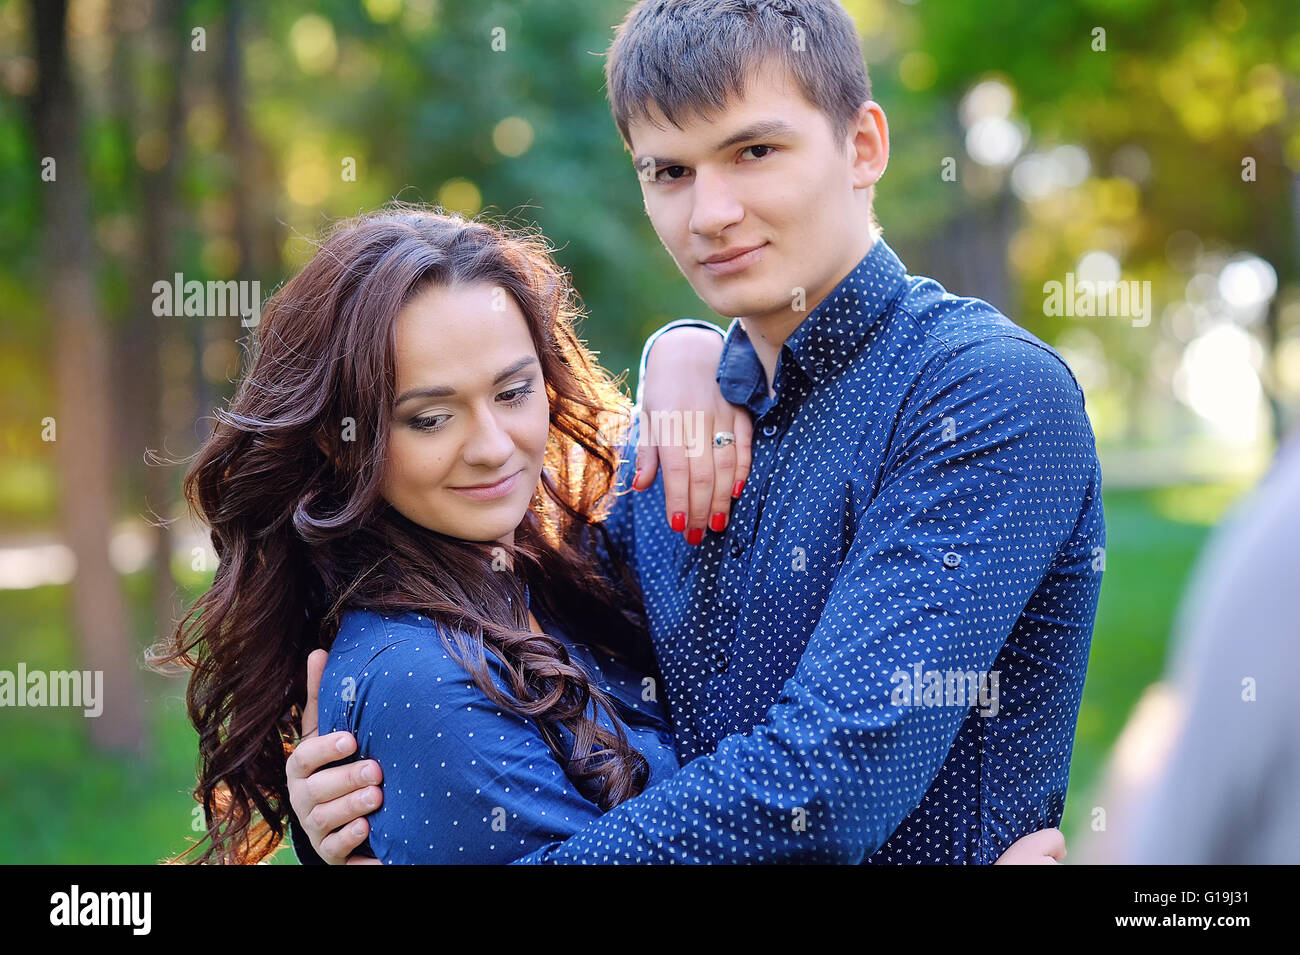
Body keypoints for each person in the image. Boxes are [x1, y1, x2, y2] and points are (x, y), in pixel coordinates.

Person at [289, 0, 1103, 865]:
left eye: (754, 152)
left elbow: (829, 789)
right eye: (670, 172)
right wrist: (370, 804)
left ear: (863, 146)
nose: (711, 213)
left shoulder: (984, 396)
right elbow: (527, 671)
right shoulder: (678, 435)